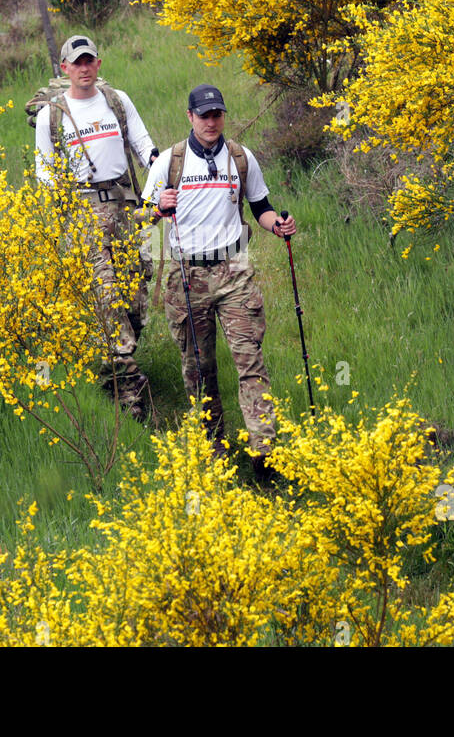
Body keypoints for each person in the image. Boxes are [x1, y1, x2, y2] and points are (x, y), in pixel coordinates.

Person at [142, 83, 297, 482]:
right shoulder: (169, 163)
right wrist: (158, 208)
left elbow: (260, 207)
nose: (211, 122)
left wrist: (277, 226)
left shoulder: (241, 158)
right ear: (190, 117)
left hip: (234, 272)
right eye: (204, 115)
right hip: (186, 277)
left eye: (217, 115)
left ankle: (265, 455)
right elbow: (141, 215)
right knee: (199, 368)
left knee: (250, 360)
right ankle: (214, 451)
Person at [34, 34, 159, 421]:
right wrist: (65, 209)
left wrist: (160, 188)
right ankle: (127, 390)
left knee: (136, 297)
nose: (84, 68)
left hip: (126, 207)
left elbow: (144, 146)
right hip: (83, 211)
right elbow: (44, 171)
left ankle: (117, 359)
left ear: (98, 64)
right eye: (77, 62)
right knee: (106, 295)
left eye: (89, 60)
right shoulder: (51, 115)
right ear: (65, 68)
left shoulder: (117, 101)